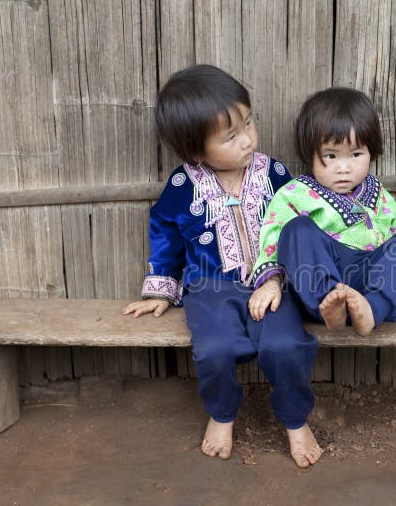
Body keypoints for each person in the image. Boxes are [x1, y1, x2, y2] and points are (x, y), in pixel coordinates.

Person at [122, 65, 322, 468]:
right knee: (215, 349)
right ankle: (222, 412)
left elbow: (296, 225)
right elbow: (165, 231)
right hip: (209, 287)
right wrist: (161, 289)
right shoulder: (183, 186)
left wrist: (280, 278)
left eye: (248, 123)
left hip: (271, 284)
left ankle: (295, 419)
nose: (247, 139)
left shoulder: (274, 173)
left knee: (285, 346)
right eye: (231, 136)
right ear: (197, 151)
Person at [248, 87, 396, 336]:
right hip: (317, 285)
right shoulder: (294, 194)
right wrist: (271, 282)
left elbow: (392, 253)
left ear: (371, 152)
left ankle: (371, 311)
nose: (343, 168)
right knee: (297, 230)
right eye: (331, 156)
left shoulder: (381, 196)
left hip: (367, 283)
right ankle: (331, 304)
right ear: (309, 154)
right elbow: (272, 242)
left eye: (356, 154)